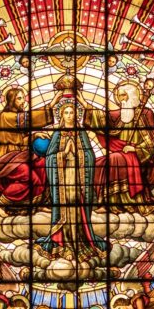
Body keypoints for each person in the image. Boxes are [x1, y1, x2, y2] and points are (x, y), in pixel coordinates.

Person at [34, 100, 104, 261]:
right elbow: (50, 157)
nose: (69, 115)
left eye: (72, 112)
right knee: (64, 206)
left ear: (76, 115)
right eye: (66, 112)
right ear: (61, 115)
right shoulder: (57, 134)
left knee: (77, 205)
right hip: (62, 180)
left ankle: (80, 240)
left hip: (79, 178)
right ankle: (62, 243)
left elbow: (90, 156)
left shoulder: (81, 133)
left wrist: (79, 153)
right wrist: (64, 153)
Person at [92, 80, 154, 205]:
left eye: (123, 95)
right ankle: (107, 201)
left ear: (132, 95)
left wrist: (136, 149)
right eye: (119, 96)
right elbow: (99, 117)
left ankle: (122, 202)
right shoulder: (121, 115)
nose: (121, 99)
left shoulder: (146, 113)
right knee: (98, 164)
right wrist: (83, 103)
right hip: (122, 151)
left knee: (114, 159)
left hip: (139, 154)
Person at [0, 86, 51, 204]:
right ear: (11, 100)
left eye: (23, 98)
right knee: (29, 176)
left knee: (43, 164)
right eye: (19, 98)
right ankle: (1, 202)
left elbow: (21, 140)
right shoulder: (5, 117)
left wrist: (34, 136)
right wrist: (51, 105)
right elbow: (28, 120)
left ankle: (37, 204)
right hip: (5, 158)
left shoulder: (18, 117)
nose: (23, 101)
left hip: (20, 155)